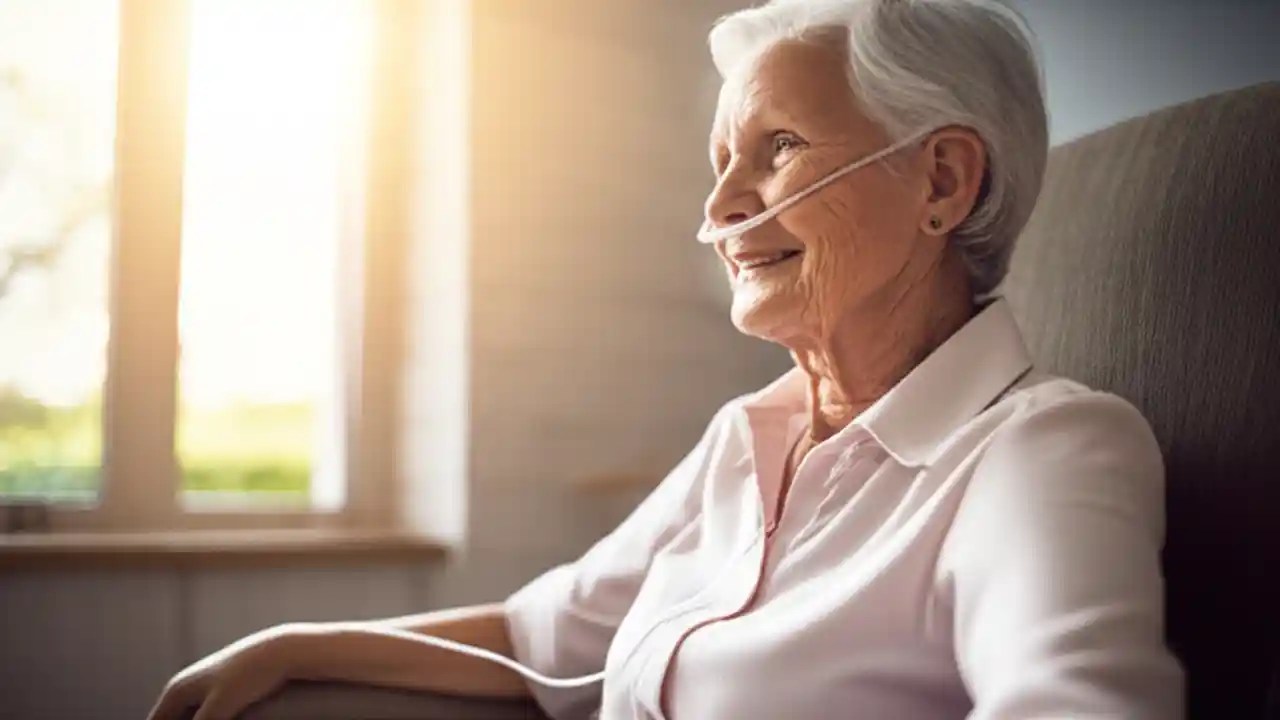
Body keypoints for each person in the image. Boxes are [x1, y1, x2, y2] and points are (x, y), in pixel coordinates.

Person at [148, 1, 1185, 718]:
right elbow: (536, 636)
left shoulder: (1041, 453)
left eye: (776, 146)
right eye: (720, 162)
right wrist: (291, 647)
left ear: (943, 182)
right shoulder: (747, 438)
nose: (721, 206)